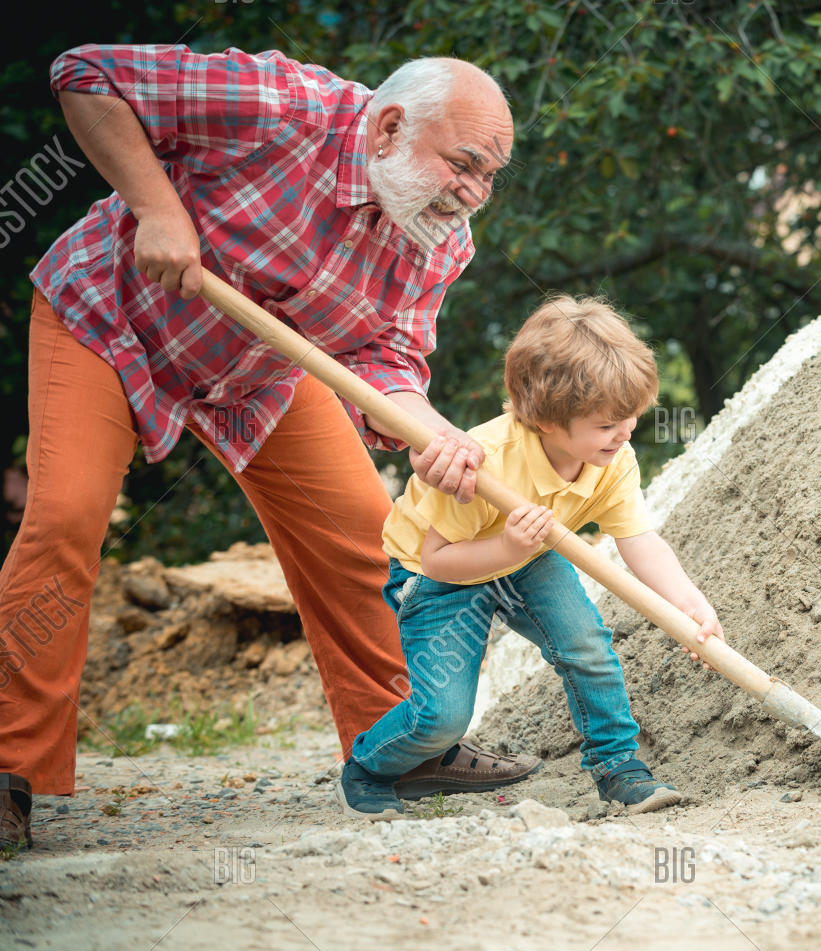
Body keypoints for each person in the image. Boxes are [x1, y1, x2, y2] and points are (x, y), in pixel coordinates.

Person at [0, 44, 533, 855]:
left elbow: (387, 360)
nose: (475, 194)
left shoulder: (439, 238)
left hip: (257, 372)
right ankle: (8, 768)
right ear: (388, 127)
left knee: (364, 527)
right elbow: (83, 73)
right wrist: (157, 208)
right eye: (463, 165)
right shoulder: (280, 107)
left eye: (490, 176)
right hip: (109, 319)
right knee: (67, 516)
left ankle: (403, 747)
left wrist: (430, 433)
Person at [338, 295, 724, 818]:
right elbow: (438, 560)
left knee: (586, 645)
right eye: (609, 423)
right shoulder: (484, 462)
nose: (626, 431)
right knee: (443, 718)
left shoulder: (612, 460)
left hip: (527, 554)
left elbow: (639, 541)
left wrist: (688, 603)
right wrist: (506, 546)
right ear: (546, 420)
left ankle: (618, 765)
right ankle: (369, 766)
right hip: (439, 571)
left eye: (631, 417)